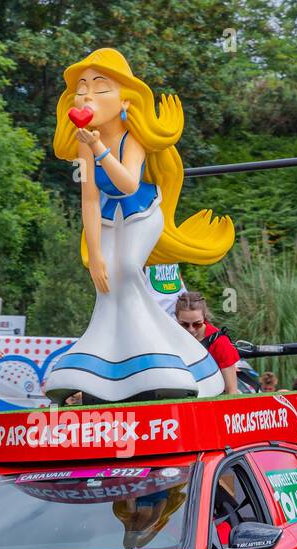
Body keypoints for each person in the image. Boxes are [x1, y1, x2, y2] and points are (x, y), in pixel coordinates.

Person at [43, 48, 233, 401]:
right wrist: (95, 253)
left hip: (143, 213)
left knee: (129, 270)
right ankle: (104, 364)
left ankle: (169, 358)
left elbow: (129, 183)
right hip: (107, 216)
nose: (86, 95)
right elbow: (88, 197)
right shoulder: (86, 142)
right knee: (106, 283)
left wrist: (100, 148)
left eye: (99, 88)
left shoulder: (133, 138)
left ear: (125, 97)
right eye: (81, 88)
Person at [175, 291, 240, 394]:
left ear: (204, 317)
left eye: (197, 324)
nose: (191, 330)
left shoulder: (220, 342)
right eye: (184, 324)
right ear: (176, 318)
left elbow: (231, 391)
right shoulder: (170, 337)